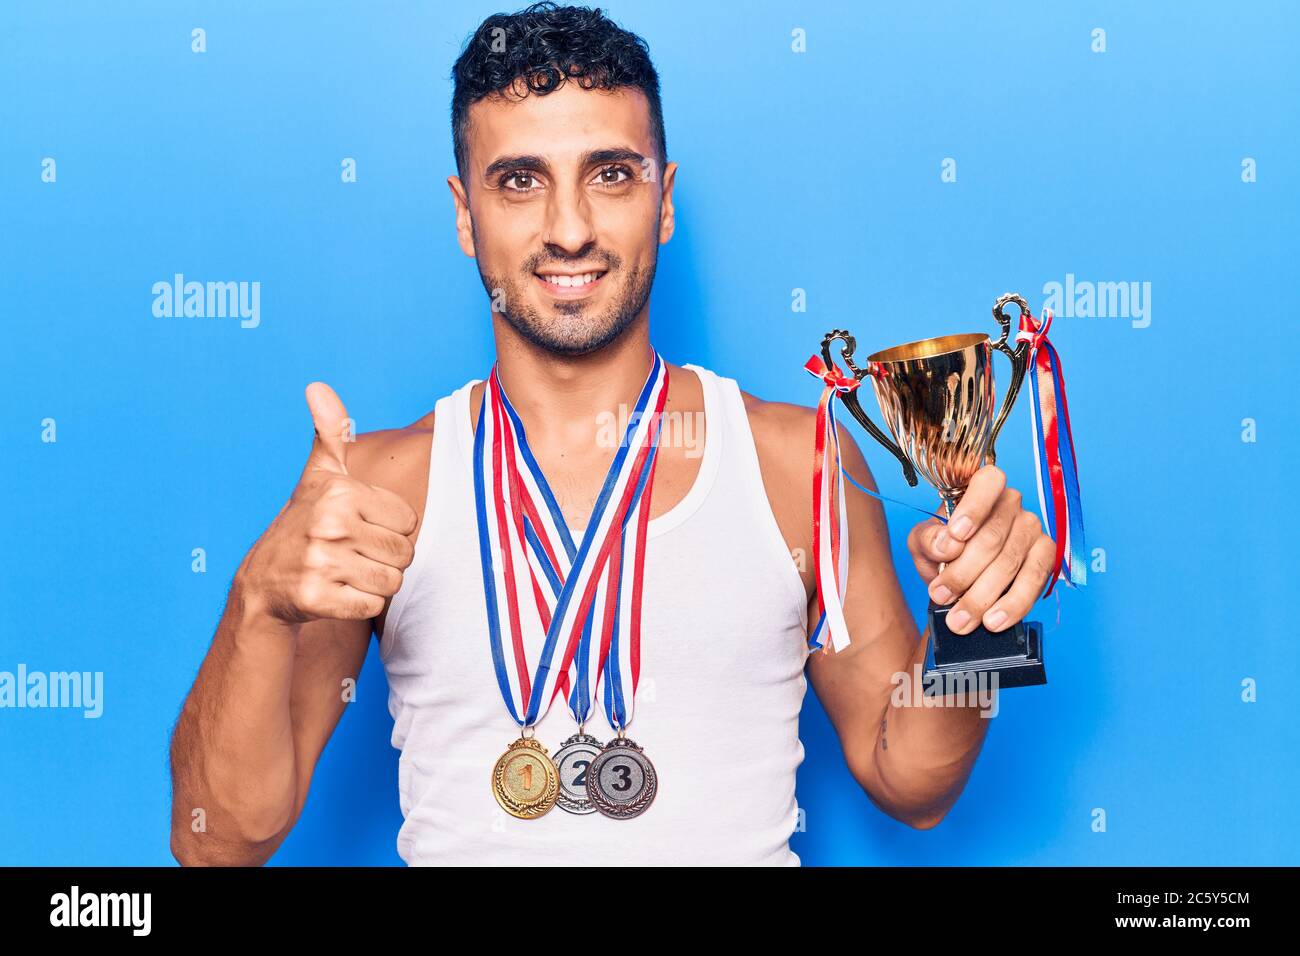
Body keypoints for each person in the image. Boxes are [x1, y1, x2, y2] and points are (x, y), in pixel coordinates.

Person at [168, 2, 1058, 866]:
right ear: (463, 212)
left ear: (664, 200)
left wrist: (975, 625)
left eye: (611, 173)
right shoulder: (375, 489)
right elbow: (217, 844)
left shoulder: (801, 464)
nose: (569, 229)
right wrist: (258, 599)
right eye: (519, 181)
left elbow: (915, 786)